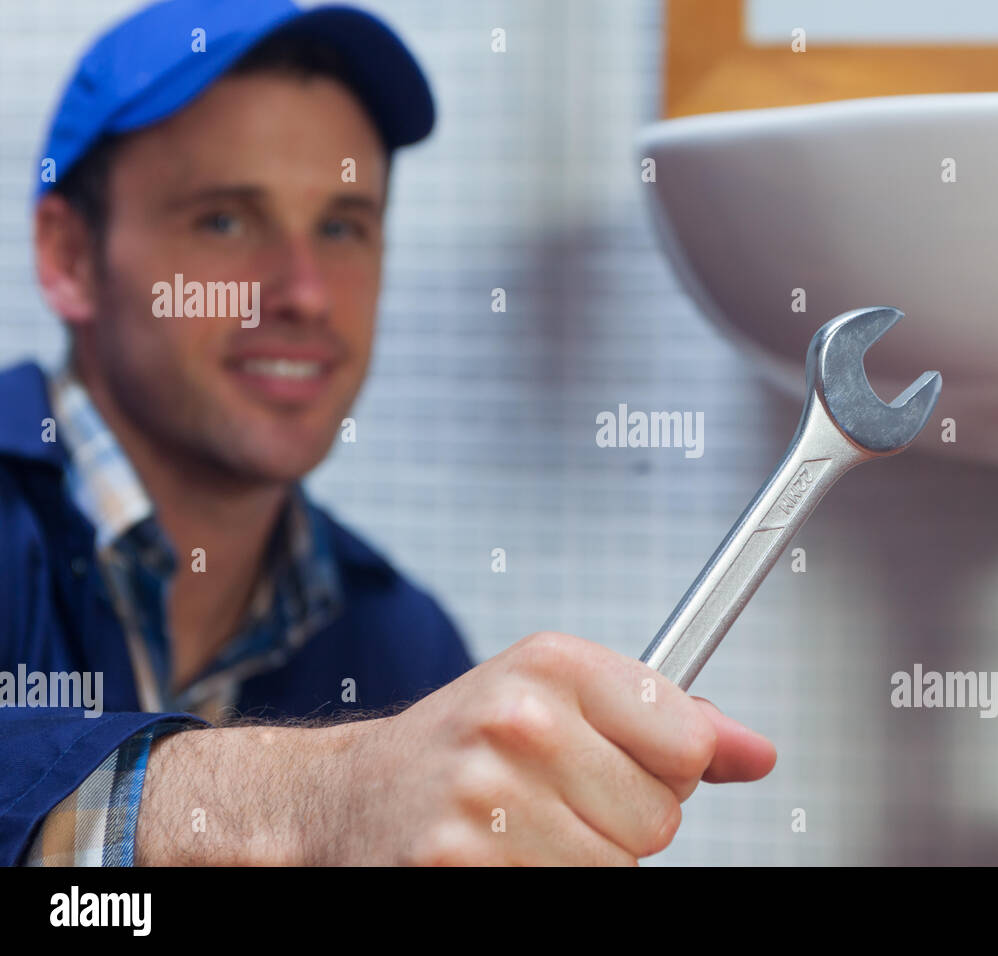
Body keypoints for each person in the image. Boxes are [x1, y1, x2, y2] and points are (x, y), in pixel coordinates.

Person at [0, 0, 776, 866]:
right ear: (69, 256)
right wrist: (309, 805)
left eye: (342, 226)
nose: (305, 293)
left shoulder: (407, 645)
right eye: (224, 219)